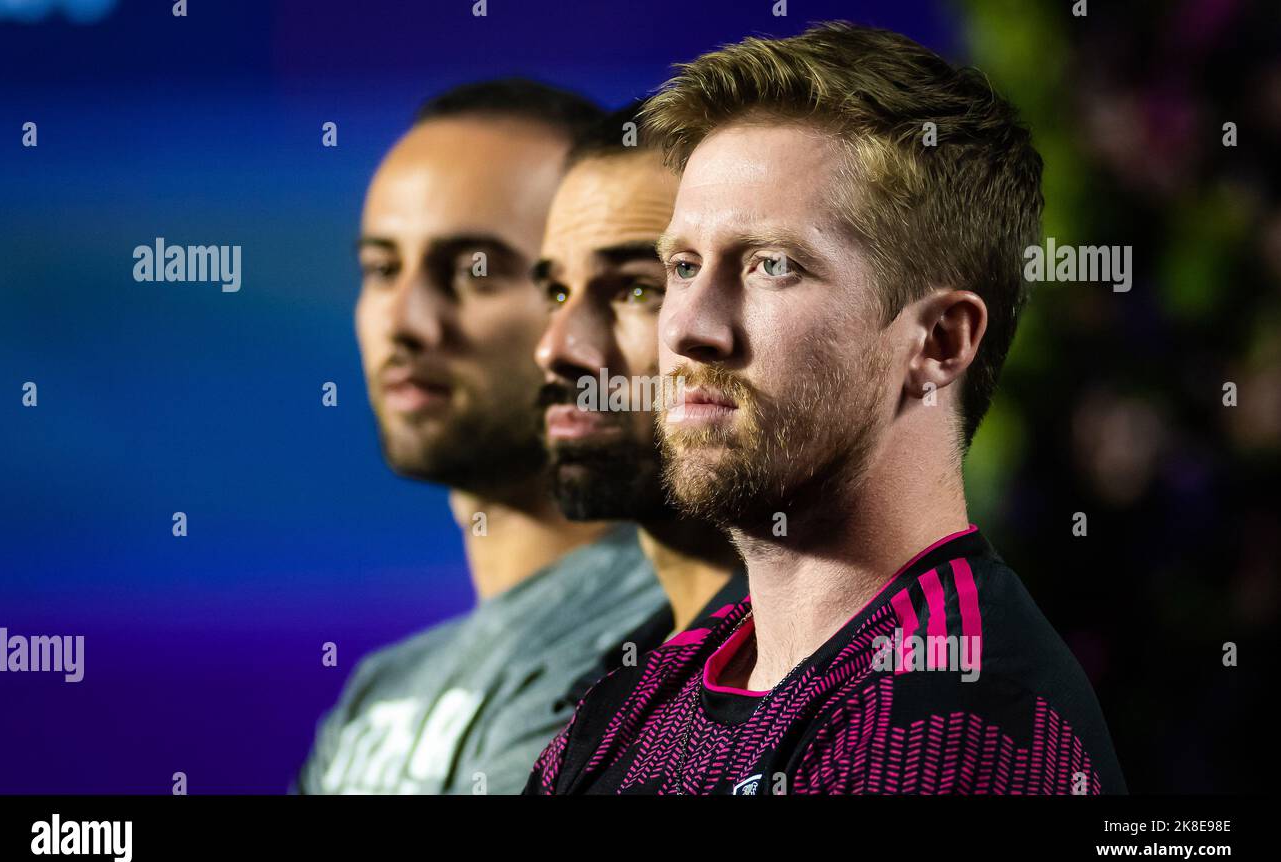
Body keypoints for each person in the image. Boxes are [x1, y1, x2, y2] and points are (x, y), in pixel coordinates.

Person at [527, 24, 1126, 795]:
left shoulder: (954, 722)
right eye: (680, 265)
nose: (685, 328)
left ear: (940, 342)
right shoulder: (650, 687)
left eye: (771, 265)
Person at [297, 80, 662, 795]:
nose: (407, 322)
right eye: (382, 269)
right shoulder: (384, 689)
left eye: (475, 270)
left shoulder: (684, 644)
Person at [531, 103, 746, 713]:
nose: (554, 349)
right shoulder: (602, 697)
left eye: (636, 288)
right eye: (556, 292)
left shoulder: (877, 694)